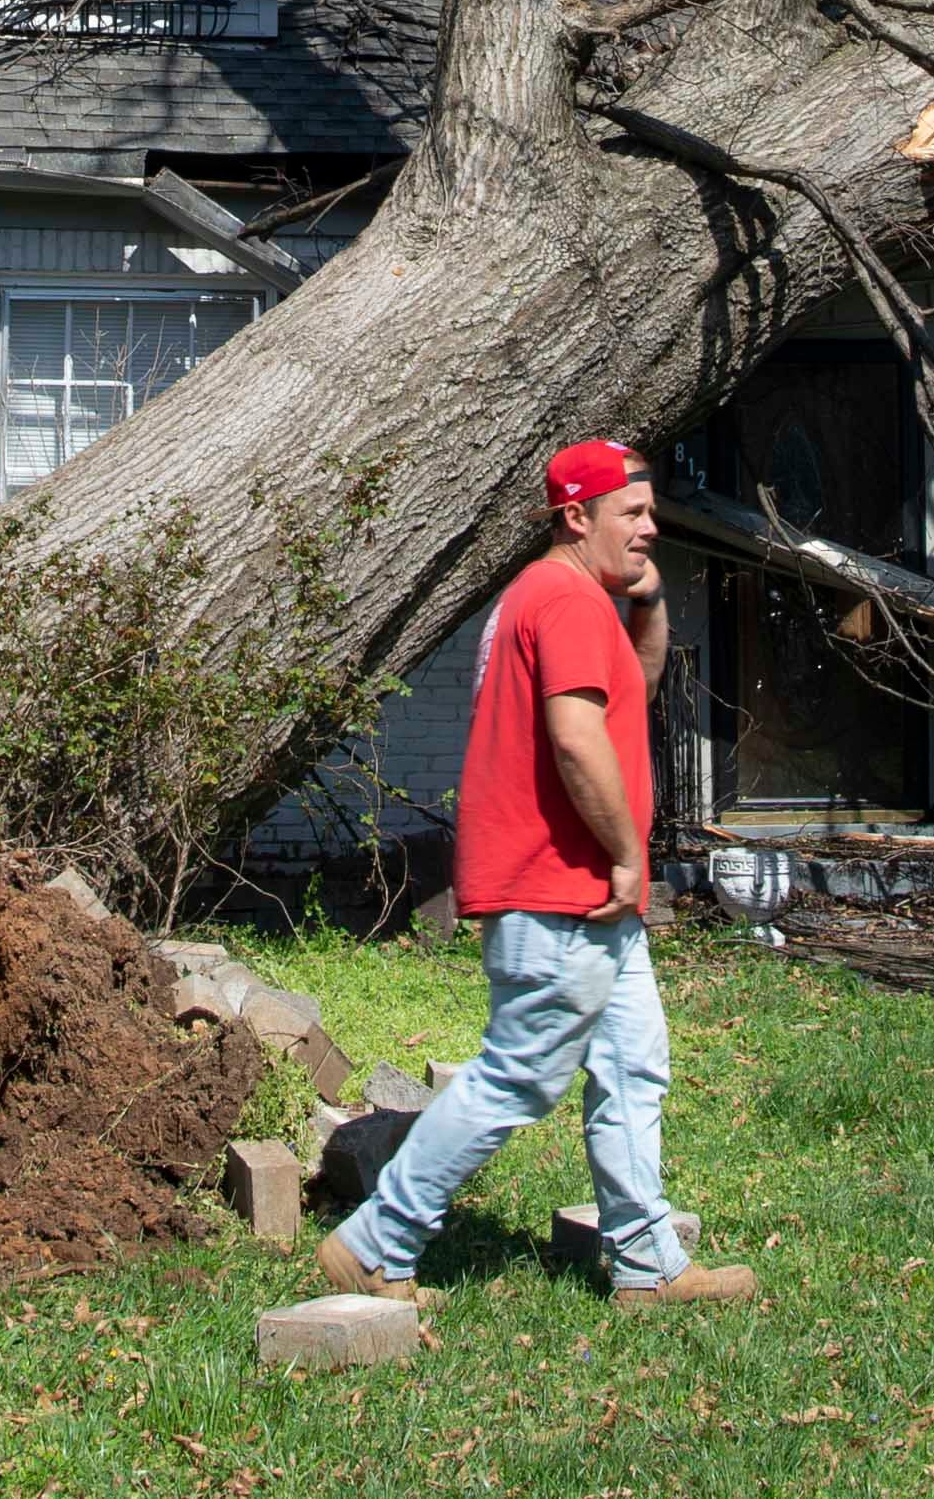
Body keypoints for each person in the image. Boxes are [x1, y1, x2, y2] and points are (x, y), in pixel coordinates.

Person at [321, 440, 758, 1309]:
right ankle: (378, 1241)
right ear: (574, 516)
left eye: (650, 513)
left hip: (589, 894)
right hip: (558, 884)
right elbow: (573, 735)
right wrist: (631, 854)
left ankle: (646, 1263)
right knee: (519, 1074)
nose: (650, 527)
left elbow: (635, 679)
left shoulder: (579, 602)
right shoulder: (557, 598)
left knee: (633, 1065)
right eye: (630, 514)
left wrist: (649, 593)